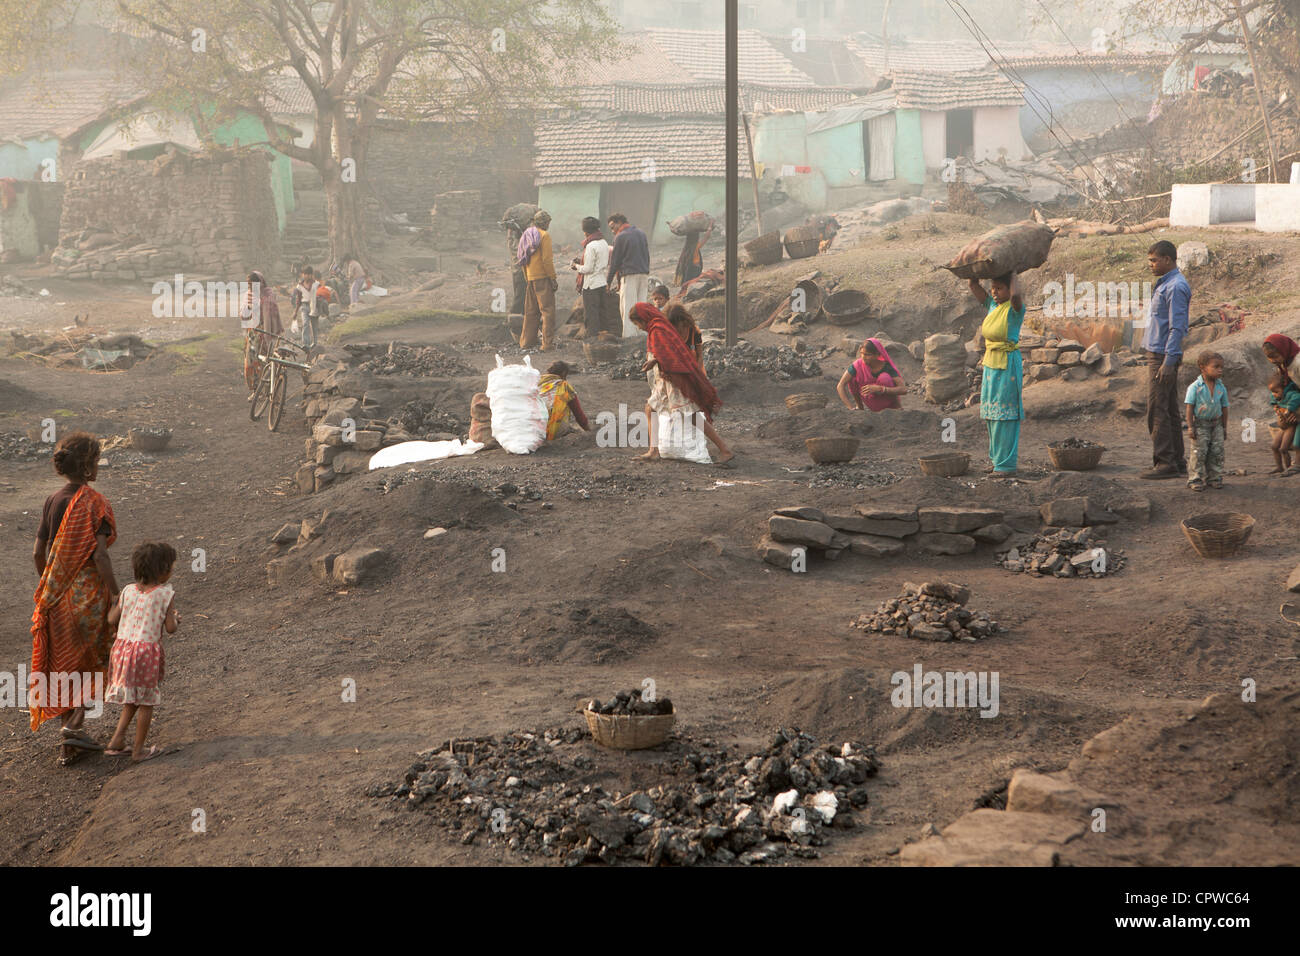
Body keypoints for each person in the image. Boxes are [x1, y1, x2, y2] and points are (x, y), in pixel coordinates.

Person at [29, 432, 119, 751]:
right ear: (85, 465)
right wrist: (117, 594)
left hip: (54, 599)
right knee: (97, 661)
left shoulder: (52, 501)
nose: (98, 466)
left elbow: (38, 553)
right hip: (88, 598)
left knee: (65, 667)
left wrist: (53, 584)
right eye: (95, 460)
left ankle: (70, 744)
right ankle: (75, 725)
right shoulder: (94, 503)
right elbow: (100, 555)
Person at [628, 302, 734, 465]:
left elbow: (669, 355)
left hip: (674, 379)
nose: (639, 327)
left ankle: (725, 450)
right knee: (651, 408)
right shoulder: (658, 326)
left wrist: (654, 362)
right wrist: (656, 361)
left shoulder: (658, 329)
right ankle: (654, 450)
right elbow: (668, 351)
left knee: (691, 415)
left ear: (644, 318)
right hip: (665, 379)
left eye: (638, 323)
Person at [104, 542, 178, 763]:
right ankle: (138, 751)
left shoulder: (127, 590)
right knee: (146, 701)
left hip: (122, 651)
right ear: (163, 570)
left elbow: (111, 619)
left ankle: (116, 741)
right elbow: (171, 628)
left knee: (133, 696)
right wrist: (175, 617)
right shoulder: (165, 594)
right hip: (145, 653)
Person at [1139, 240, 1191, 479]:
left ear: (1168, 260)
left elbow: (1177, 327)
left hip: (1162, 355)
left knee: (1157, 410)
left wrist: (1168, 362)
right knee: (1168, 409)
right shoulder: (1167, 283)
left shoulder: (1176, 286)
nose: (1150, 265)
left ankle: (1165, 462)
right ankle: (1177, 461)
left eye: (1154, 260)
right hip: (1159, 352)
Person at [967, 273, 1024, 476]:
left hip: (1008, 365)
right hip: (991, 365)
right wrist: (973, 279)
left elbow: (1017, 296)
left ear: (1010, 290)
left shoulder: (1015, 309)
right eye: (993, 288)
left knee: (1005, 414)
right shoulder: (993, 306)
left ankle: (1006, 465)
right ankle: (997, 459)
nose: (994, 292)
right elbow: (977, 290)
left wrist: (1014, 273)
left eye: (1000, 288)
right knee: (991, 414)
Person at [1183, 351, 1229, 491]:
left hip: (1217, 425)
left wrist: (1224, 427)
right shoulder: (1195, 388)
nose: (1220, 370)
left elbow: (1224, 408)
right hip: (1201, 425)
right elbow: (1189, 409)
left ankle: (1214, 477)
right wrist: (1190, 427)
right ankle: (1195, 479)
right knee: (1198, 452)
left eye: (1221, 367)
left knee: (1217, 451)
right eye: (1216, 367)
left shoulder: (1221, 388)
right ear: (1203, 368)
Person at [518, 210, 559, 351]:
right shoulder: (544, 236)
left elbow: (522, 258)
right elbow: (547, 260)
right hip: (542, 277)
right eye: (548, 222)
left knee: (530, 311)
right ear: (545, 222)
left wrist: (527, 276)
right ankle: (547, 344)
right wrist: (552, 278)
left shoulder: (527, 234)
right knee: (547, 311)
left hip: (530, 277)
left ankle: (526, 342)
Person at [607, 213, 650, 338]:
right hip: (644, 274)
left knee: (628, 308)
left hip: (629, 275)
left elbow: (615, 262)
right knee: (641, 306)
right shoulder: (641, 233)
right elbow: (647, 255)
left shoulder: (620, 237)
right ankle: (642, 335)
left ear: (619, 222)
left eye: (612, 226)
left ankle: (629, 338)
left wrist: (608, 281)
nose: (612, 230)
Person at [241, 270, 282, 396]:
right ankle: (255, 390)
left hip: (267, 334)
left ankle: (268, 390)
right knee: (251, 363)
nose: (250, 288)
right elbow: (243, 316)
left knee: (266, 363)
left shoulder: (268, 295)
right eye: (248, 285)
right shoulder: (248, 296)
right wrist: (247, 309)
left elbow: (274, 316)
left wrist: (269, 332)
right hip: (253, 334)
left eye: (253, 285)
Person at [838, 338, 906, 411]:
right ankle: (860, 407)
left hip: (888, 405)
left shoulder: (886, 367)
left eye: (868, 354)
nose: (863, 357)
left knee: (884, 378)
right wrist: (850, 407)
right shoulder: (857, 365)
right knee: (852, 378)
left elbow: (903, 389)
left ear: (877, 355)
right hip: (870, 401)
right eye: (862, 353)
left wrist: (881, 389)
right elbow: (840, 386)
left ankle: (895, 407)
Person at [571, 217, 610, 339]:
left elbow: (587, 269)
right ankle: (603, 338)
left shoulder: (590, 245)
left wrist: (576, 266)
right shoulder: (603, 242)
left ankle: (592, 339)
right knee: (602, 313)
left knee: (591, 315)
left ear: (585, 231)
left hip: (591, 284)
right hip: (601, 282)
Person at [537, 361, 592, 440]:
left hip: (535, 430)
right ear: (563, 373)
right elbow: (578, 413)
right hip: (553, 432)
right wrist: (588, 430)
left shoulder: (537, 383)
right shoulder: (564, 387)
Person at [500, 203, 538, 316]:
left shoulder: (525, 227)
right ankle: (516, 313)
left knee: (520, 288)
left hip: (519, 263)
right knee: (521, 288)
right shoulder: (517, 229)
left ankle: (519, 312)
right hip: (521, 264)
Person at [1268, 371, 1300, 475]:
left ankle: (1288, 468)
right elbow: (1274, 401)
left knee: (1283, 449)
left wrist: (1288, 410)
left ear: (1284, 389)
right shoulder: (1278, 396)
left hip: (1290, 427)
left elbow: (1297, 398)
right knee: (1274, 446)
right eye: (1273, 392)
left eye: (1276, 392)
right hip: (1283, 427)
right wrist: (1276, 407)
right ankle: (1279, 467)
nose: (1274, 394)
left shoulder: (1290, 394)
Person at [291, 266, 323, 350]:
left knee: (314, 325)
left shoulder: (316, 284)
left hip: (314, 306)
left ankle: (315, 343)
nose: (307, 276)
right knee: (305, 324)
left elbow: (321, 295)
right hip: (304, 306)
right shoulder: (299, 286)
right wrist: (295, 312)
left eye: (309, 274)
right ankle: (306, 344)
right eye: (305, 274)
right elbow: (298, 300)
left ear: (312, 275)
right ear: (303, 274)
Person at [674, 220, 712, 288]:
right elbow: (707, 237)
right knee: (692, 284)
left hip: (689, 269)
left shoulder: (686, 247)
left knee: (687, 284)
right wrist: (710, 226)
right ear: (696, 238)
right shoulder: (696, 247)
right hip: (695, 270)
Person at [665, 303, 705, 367]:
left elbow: (699, 356)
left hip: (694, 369)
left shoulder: (694, 331)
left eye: (676, 325)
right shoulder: (667, 334)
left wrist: (697, 373)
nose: (674, 328)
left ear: (683, 320)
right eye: (671, 326)